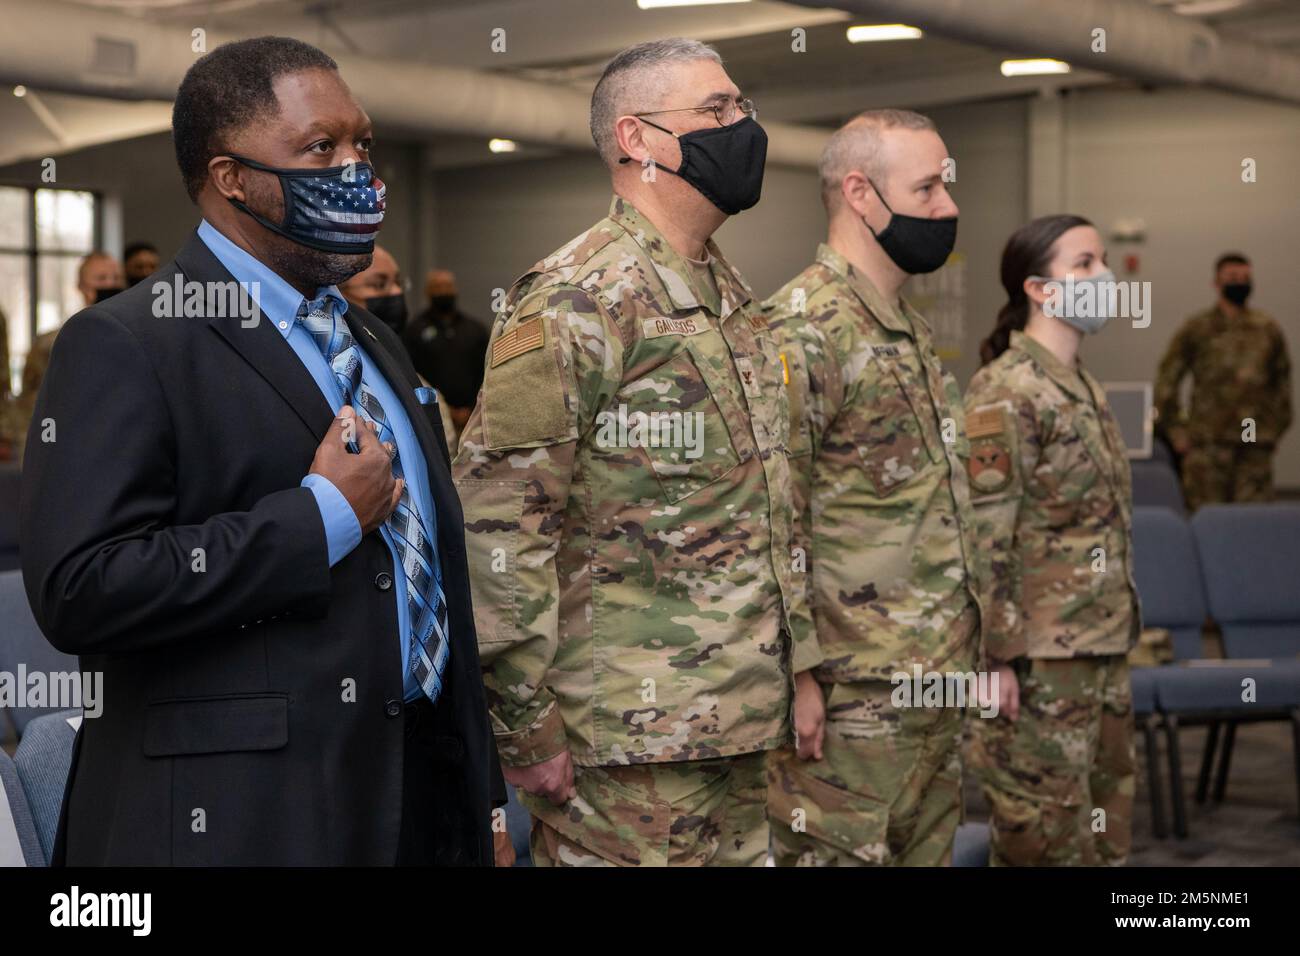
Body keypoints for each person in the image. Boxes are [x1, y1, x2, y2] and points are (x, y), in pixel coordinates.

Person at [20, 36, 501, 866]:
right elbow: (80, 589)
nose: (357, 170)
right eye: (322, 148)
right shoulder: (124, 344)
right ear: (231, 178)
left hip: (417, 798)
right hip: (247, 819)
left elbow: (437, 582)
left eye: (363, 145)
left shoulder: (374, 344)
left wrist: (480, 794)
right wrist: (318, 521)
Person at [452, 37, 793, 867]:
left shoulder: (733, 296)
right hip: (626, 749)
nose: (741, 126)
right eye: (716, 111)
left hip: (742, 725)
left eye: (742, 107)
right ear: (638, 140)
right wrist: (525, 731)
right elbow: (500, 532)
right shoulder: (577, 298)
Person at [764, 108, 983, 866]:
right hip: (853, 689)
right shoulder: (803, 329)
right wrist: (798, 676)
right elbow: (773, 515)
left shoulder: (904, 328)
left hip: (931, 676)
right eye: (927, 190)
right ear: (860, 193)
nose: (948, 209)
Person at [965, 214, 1140, 866]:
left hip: (1100, 643)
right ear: (1040, 289)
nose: (1105, 278)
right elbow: (986, 538)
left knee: (1104, 827)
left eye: (1103, 262)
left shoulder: (1083, 385)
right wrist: (995, 660)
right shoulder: (1008, 390)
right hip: (1039, 659)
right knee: (1043, 837)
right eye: (1086, 264)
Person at [1155, 252, 1292, 509]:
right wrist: (1176, 432)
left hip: (1253, 442)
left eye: (1245, 278)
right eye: (1232, 277)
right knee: (1206, 520)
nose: (1239, 283)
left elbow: (1282, 383)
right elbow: (1167, 379)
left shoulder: (1266, 328)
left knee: (1254, 521)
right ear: (1216, 283)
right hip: (1207, 444)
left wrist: (1274, 430)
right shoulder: (1198, 327)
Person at [11, 251, 125, 465]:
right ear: (82, 286)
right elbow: (30, 403)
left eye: (116, 278)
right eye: (101, 279)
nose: (110, 284)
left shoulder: (141, 339)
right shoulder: (51, 343)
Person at [402, 269, 489, 433]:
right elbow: (410, 373)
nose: (443, 291)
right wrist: (445, 410)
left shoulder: (475, 329)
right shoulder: (414, 330)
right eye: (438, 287)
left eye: (447, 286)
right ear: (428, 292)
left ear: (455, 289)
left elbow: (486, 369)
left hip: (474, 415)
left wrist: (471, 407)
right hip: (431, 415)